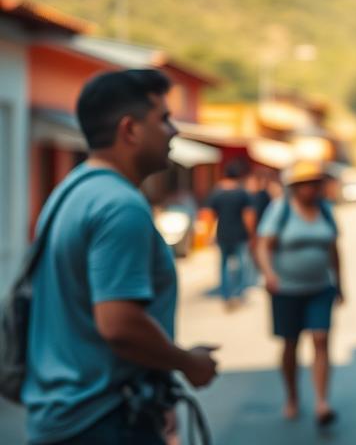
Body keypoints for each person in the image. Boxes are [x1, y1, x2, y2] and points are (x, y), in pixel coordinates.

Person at [22, 69, 218, 444]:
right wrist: (189, 363)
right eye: (163, 119)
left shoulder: (72, 191)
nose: (173, 131)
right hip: (102, 421)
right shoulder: (120, 206)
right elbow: (120, 325)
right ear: (130, 129)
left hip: (64, 415)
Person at [254, 159, 342, 427]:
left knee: (320, 338)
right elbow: (262, 246)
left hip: (320, 288)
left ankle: (321, 401)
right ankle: (292, 396)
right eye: (307, 185)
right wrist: (269, 273)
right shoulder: (281, 209)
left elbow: (333, 249)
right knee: (290, 343)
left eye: (316, 184)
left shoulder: (325, 210)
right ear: (296, 187)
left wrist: (340, 283)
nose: (312, 190)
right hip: (287, 290)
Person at [206, 158, 254, 309]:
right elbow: (249, 216)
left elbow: (210, 215)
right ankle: (238, 294)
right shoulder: (241, 192)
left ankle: (226, 295)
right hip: (239, 234)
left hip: (223, 233)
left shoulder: (217, 192)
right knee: (241, 265)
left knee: (224, 266)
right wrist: (252, 234)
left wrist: (209, 234)